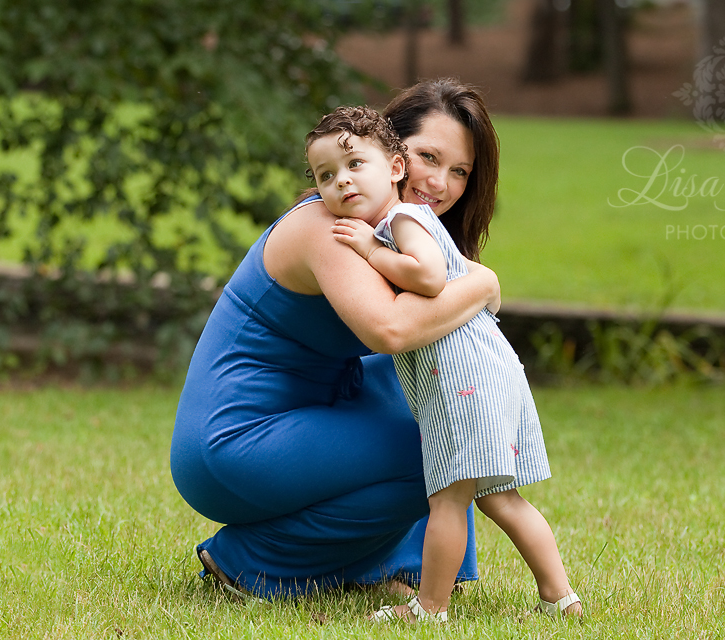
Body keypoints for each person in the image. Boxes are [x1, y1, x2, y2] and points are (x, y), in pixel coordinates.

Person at [169, 79, 500, 599]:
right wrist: (482, 283)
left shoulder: (390, 235)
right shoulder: (330, 227)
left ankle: (416, 566)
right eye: (427, 157)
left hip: (303, 413)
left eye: (459, 171)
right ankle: (250, 561)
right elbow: (389, 330)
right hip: (232, 442)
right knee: (443, 448)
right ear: (391, 152)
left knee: (444, 393)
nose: (438, 182)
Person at [307, 106, 582, 622]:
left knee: (449, 501)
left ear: (393, 167)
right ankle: (561, 598)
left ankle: (431, 608)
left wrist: (370, 250)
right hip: (487, 370)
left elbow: (429, 278)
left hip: (462, 380)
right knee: (501, 498)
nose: (342, 182)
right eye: (326, 177)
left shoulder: (402, 219)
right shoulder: (402, 218)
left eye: (353, 167)